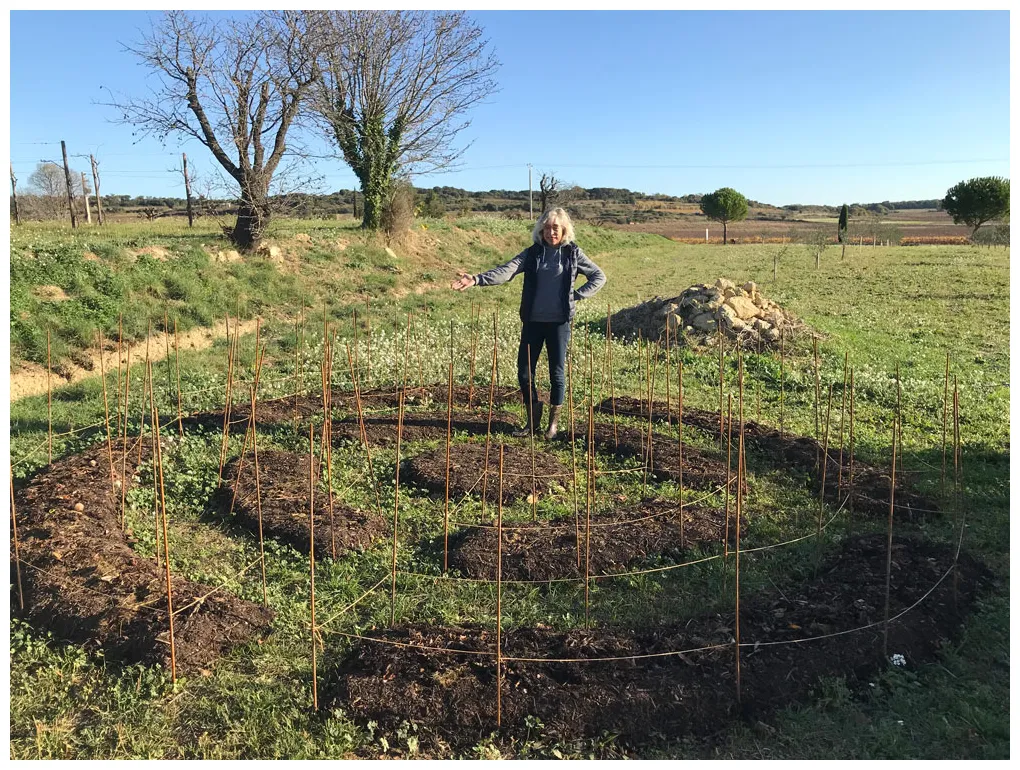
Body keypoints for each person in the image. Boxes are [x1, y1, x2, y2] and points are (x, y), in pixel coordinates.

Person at [450, 208, 606, 439]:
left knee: (557, 373)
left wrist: (577, 295)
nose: (551, 232)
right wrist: (476, 279)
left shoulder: (572, 253)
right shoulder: (532, 253)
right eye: (547, 227)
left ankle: (552, 425)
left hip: (559, 323)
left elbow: (598, 276)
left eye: (556, 228)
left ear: (564, 230)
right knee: (525, 372)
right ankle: (532, 421)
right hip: (533, 321)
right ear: (541, 229)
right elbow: (507, 271)